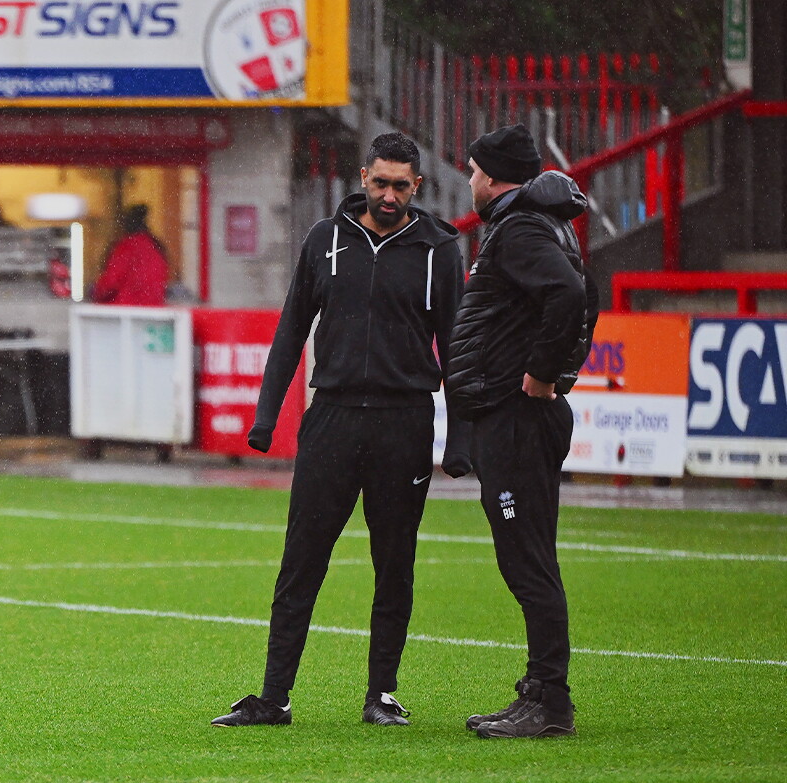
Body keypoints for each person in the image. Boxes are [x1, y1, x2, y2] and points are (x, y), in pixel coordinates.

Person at [211, 132, 472, 728]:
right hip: (329, 418)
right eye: (379, 182)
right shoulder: (324, 241)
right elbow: (291, 329)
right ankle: (274, 697)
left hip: (405, 421)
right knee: (301, 560)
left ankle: (382, 694)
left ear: (417, 186)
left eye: (400, 186)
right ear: (362, 176)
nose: (387, 195)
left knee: (394, 562)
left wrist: (460, 441)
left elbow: (455, 347)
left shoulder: (439, 249)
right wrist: (265, 417)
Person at [447, 124, 595, 738]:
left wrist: (541, 375)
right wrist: (558, 370)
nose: (471, 182)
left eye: (475, 172)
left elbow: (570, 294)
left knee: (526, 560)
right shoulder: (539, 225)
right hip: (515, 415)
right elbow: (587, 296)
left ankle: (549, 702)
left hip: (516, 416)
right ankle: (540, 691)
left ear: (494, 175)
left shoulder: (521, 228)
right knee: (529, 557)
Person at [90, 204, 169, 306]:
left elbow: (110, 282)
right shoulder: (155, 247)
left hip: (125, 311)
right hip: (151, 312)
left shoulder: (128, 247)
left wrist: (95, 291)